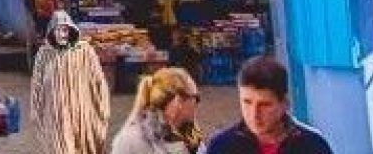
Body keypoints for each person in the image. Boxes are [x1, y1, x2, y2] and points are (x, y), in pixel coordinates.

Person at [198, 57, 333, 154]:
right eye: (247, 102)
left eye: (264, 105)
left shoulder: (313, 146)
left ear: (284, 104)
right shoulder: (221, 147)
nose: (254, 114)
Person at [25, 10, 109, 154]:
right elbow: (37, 84)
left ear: (70, 30)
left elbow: (98, 79)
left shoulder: (84, 50)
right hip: (57, 114)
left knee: (84, 146)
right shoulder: (44, 54)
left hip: (82, 111)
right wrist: (36, 109)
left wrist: (102, 106)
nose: (62, 34)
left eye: (64, 29)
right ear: (52, 31)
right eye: (58, 30)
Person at [112, 67, 202, 154]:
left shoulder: (192, 134)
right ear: (178, 100)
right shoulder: (131, 140)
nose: (197, 104)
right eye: (196, 98)